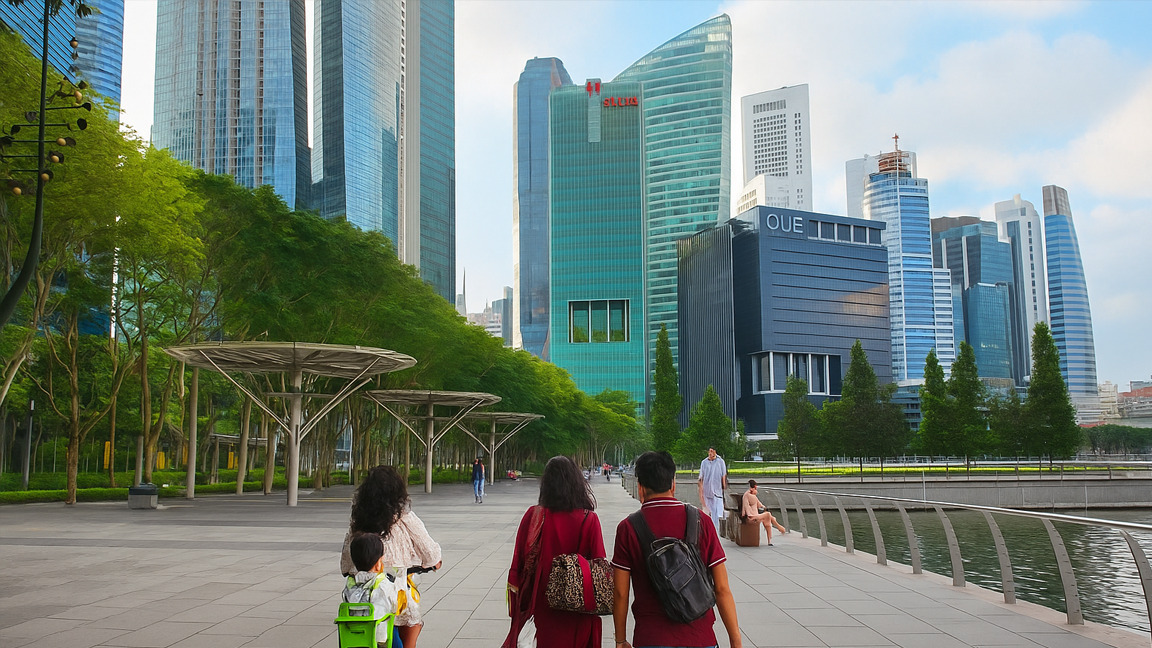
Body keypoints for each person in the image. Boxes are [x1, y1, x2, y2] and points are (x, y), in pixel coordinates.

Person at [611, 451, 741, 648]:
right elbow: (722, 589)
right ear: (673, 483)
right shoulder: (702, 521)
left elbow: (621, 592)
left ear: (640, 488)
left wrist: (620, 640)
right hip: (700, 637)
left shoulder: (628, 528)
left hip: (651, 638)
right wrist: (735, 641)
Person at [503, 456, 606, 648]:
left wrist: (518, 611)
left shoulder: (533, 516)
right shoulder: (589, 520)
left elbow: (517, 567)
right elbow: (599, 567)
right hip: (577, 611)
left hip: (540, 609)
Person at [340, 466, 442, 648]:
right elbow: (430, 552)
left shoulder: (357, 522)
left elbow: (345, 565)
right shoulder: (404, 517)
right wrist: (433, 562)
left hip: (363, 597)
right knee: (411, 621)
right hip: (396, 593)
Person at [343, 533, 406, 647]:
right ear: (378, 564)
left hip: (353, 633)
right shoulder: (383, 583)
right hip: (379, 635)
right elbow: (393, 605)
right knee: (394, 633)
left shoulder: (350, 583)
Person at [742, 480, 786, 545]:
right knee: (768, 514)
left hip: (752, 515)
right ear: (755, 487)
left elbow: (758, 504)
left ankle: (778, 528)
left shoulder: (749, 495)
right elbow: (758, 505)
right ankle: (771, 538)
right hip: (752, 517)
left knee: (770, 517)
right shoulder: (750, 495)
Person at [697, 446, 728, 531]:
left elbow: (723, 475)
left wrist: (723, 486)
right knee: (707, 513)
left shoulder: (720, 462)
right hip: (707, 491)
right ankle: (708, 530)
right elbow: (701, 477)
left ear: (715, 452)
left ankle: (715, 531)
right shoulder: (704, 462)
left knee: (717, 514)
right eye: (709, 451)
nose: (710, 453)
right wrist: (701, 490)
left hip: (717, 491)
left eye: (711, 451)